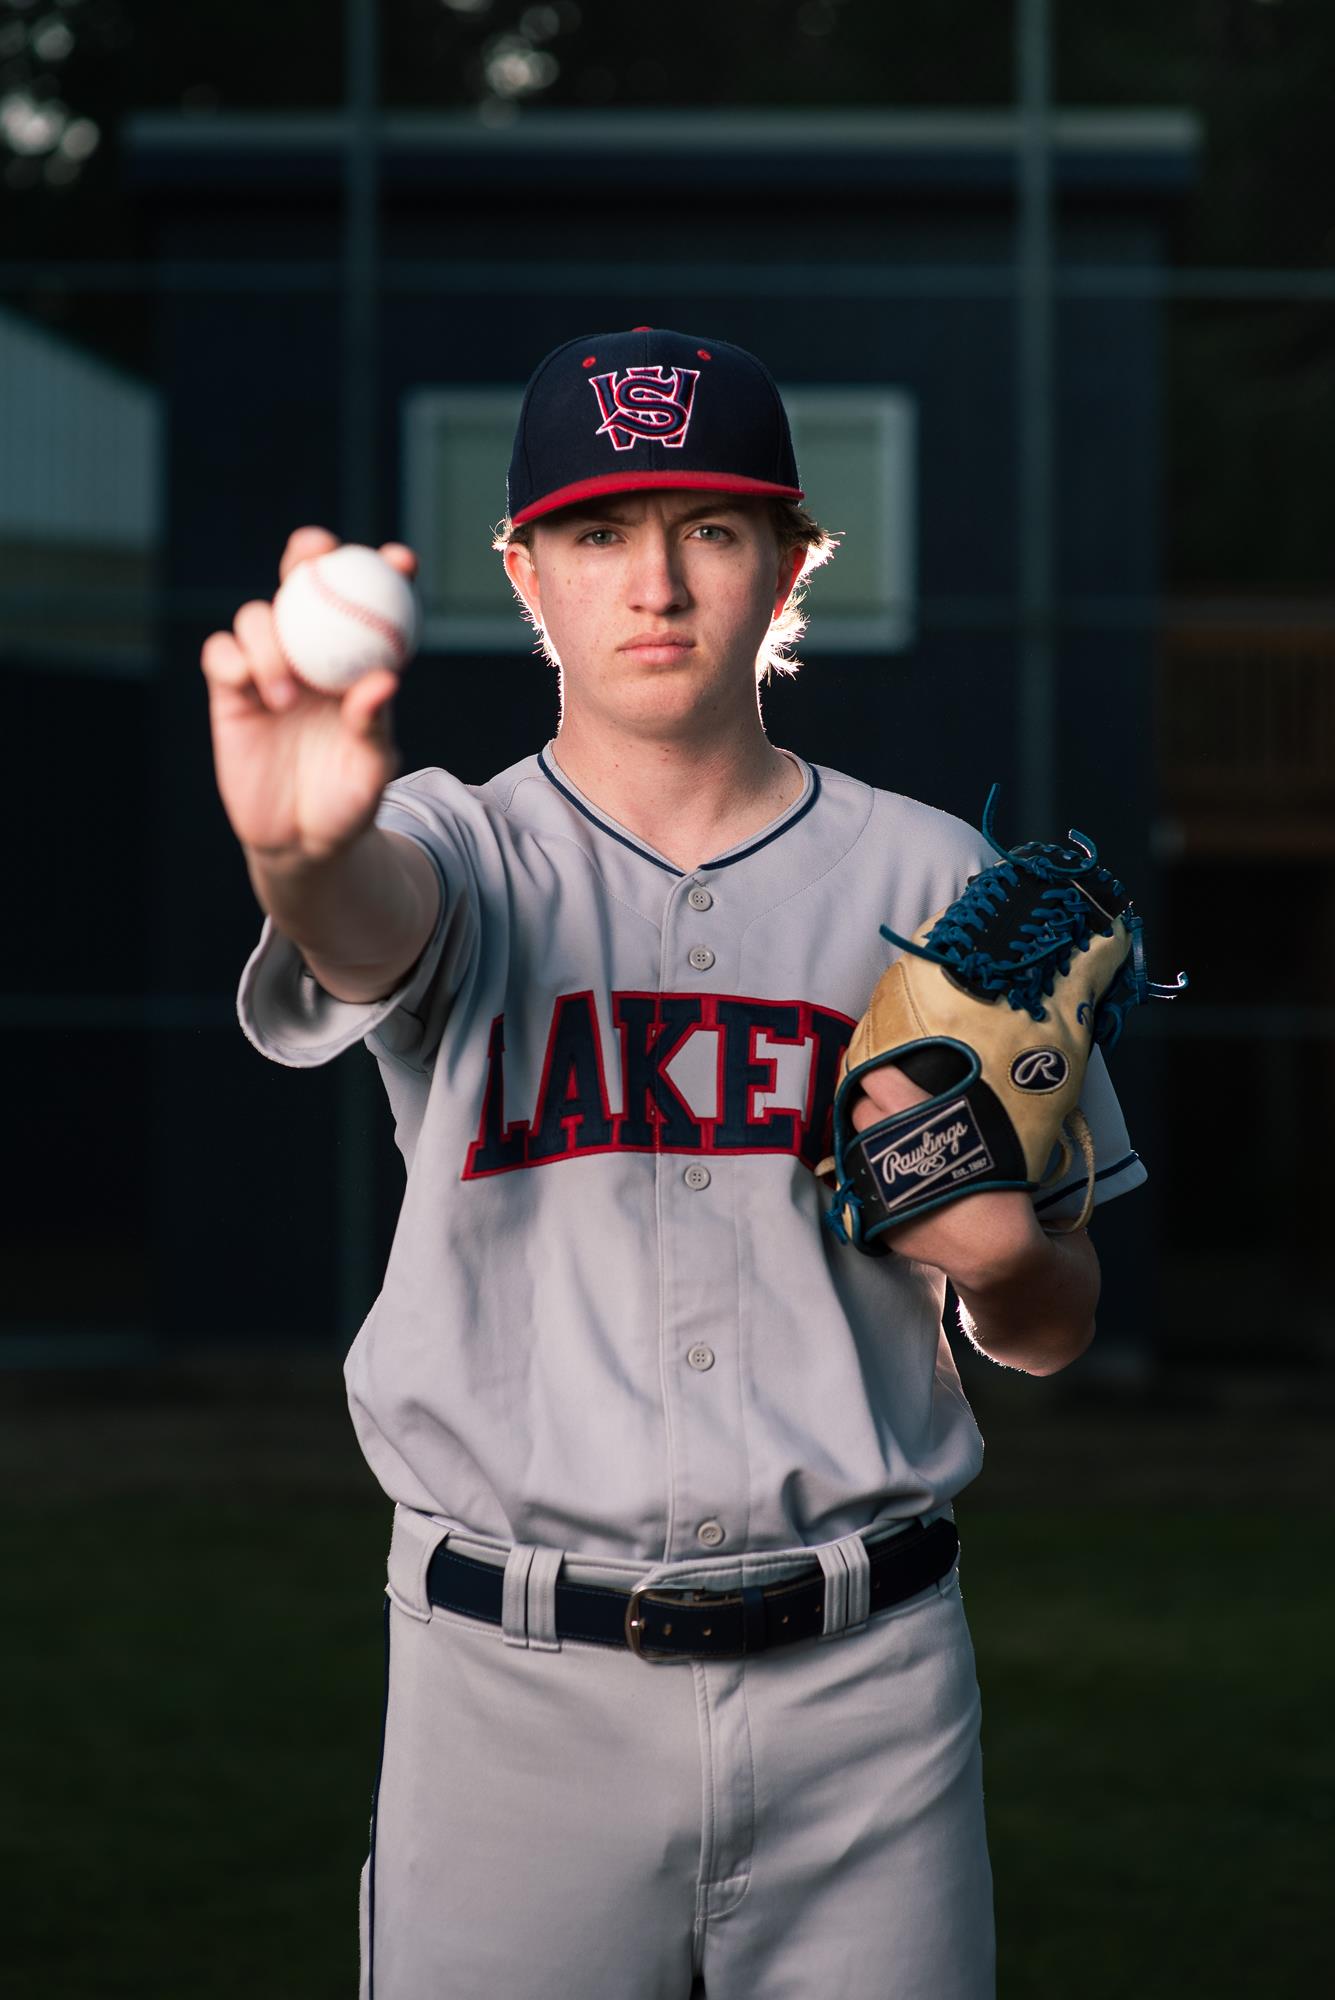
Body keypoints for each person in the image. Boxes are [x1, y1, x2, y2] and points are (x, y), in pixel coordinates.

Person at [201, 327, 1144, 2000]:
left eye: (710, 527)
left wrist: (1006, 1270)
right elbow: (364, 929)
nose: (655, 581)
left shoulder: (938, 876)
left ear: (791, 562)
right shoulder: (452, 846)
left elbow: (1056, 1317)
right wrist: (299, 849)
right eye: (596, 530)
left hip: (871, 1693)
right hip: (511, 1700)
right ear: (526, 572)